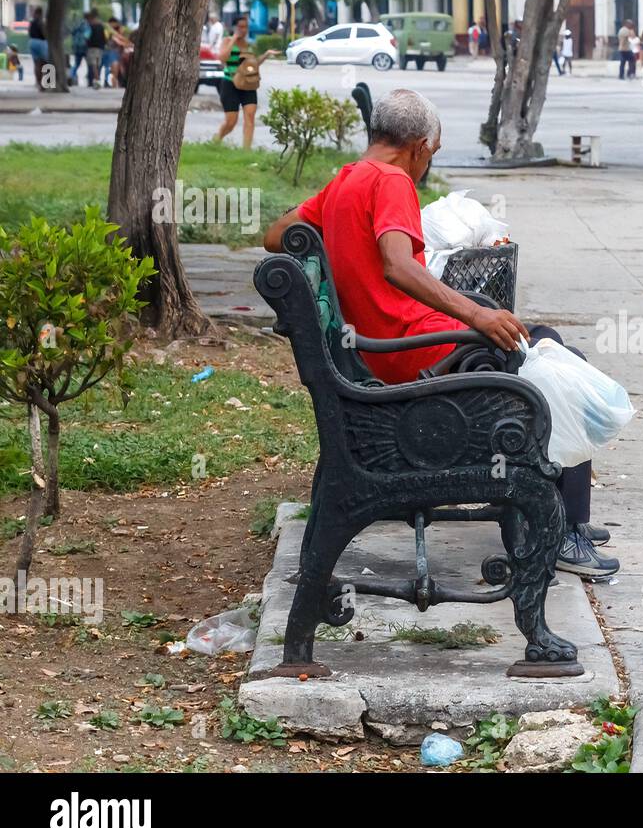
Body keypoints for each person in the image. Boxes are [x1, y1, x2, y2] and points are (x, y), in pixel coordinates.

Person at [261, 90, 618, 577]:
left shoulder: (347, 179)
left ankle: (561, 517)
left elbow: (277, 234)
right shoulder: (392, 180)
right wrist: (476, 315)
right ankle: (567, 532)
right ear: (421, 146)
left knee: (545, 341)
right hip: (410, 351)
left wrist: (335, 247)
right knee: (557, 359)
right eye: (434, 153)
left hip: (378, 347)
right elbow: (398, 266)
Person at [214, 15, 281, 148]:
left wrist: (266, 54)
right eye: (240, 27)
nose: (243, 30)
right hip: (230, 83)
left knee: (250, 117)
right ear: (234, 27)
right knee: (231, 122)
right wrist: (233, 38)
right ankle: (216, 141)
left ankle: (246, 150)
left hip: (249, 84)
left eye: (245, 27)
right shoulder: (227, 41)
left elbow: (254, 64)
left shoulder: (249, 44)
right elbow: (222, 58)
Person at [105, 18, 131, 87]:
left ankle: (116, 84)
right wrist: (128, 44)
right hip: (113, 53)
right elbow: (119, 40)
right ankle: (113, 85)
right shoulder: (110, 32)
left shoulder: (117, 31)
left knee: (120, 70)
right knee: (114, 71)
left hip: (119, 54)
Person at [27, 7, 48, 89]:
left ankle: (38, 82)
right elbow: (44, 33)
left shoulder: (31, 22)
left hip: (32, 42)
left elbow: (29, 32)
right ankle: (44, 83)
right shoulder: (41, 22)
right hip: (40, 42)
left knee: (36, 64)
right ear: (41, 13)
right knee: (44, 63)